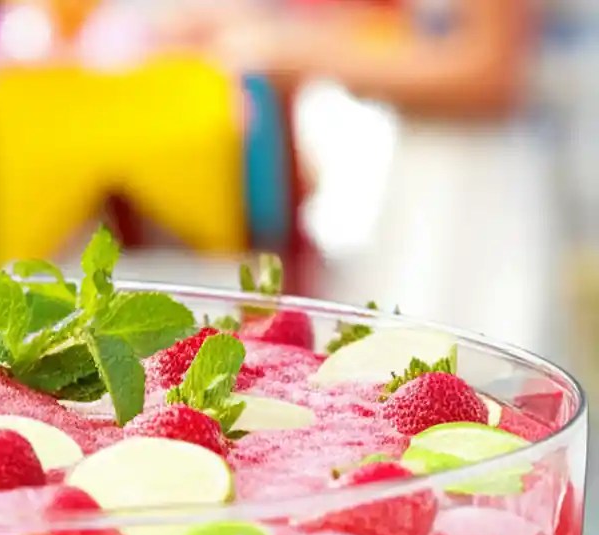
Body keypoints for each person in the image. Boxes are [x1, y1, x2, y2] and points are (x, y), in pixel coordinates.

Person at [182, 0, 558, 357]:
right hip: (417, 175)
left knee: (471, 363)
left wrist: (310, 56)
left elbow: (493, 77)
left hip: (473, 192)